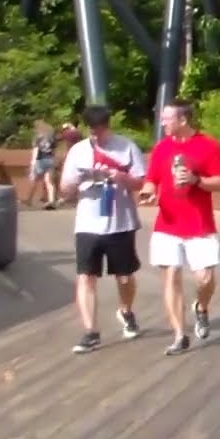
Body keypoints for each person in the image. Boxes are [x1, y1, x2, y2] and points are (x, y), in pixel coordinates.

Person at [140, 99, 220, 356]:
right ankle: (179, 335)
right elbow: (151, 180)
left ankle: (201, 307)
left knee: (205, 278)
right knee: (170, 277)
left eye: (167, 118)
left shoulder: (207, 146)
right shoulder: (161, 148)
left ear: (182, 120)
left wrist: (196, 180)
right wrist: (147, 193)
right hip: (167, 224)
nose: (163, 122)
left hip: (199, 225)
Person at [58, 106, 147, 354]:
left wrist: (121, 177)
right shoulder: (78, 151)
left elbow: (141, 181)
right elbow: (65, 190)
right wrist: (78, 180)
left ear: (108, 125)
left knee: (125, 276)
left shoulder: (126, 146)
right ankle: (91, 331)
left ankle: (126, 311)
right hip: (87, 223)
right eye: (93, 131)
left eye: (101, 130)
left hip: (121, 222)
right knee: (86, 276)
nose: (98, 135)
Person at [25, 120, 59, 209]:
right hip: (50, 159)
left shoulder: (37, 136)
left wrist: (32, 163)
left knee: (34, 180)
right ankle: (51, 200)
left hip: (40, 160)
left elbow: (36, 150)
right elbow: (54, 150)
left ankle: (29, 199)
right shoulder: (51, 137)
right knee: (49, 181)